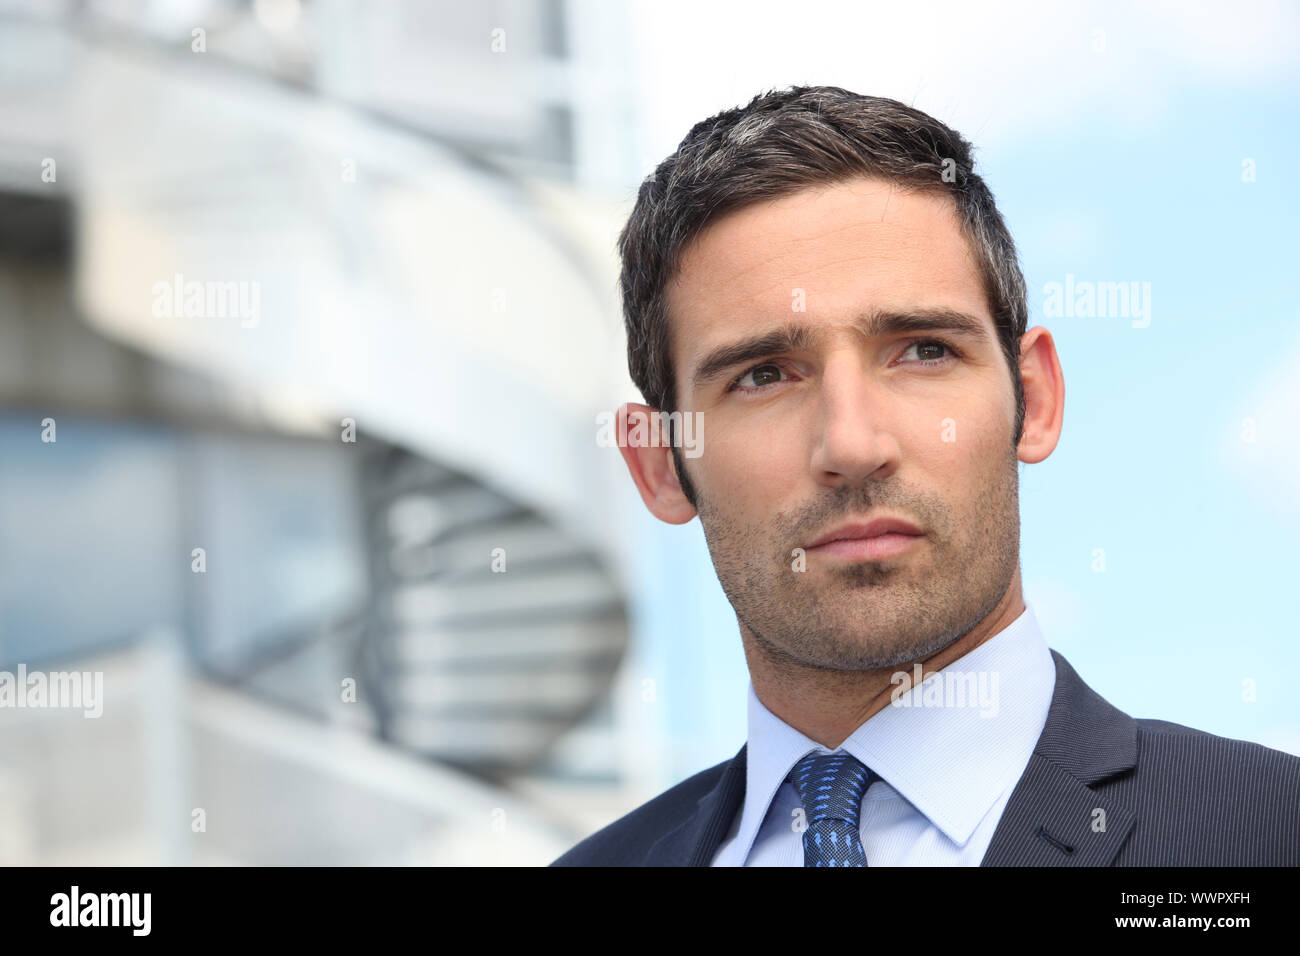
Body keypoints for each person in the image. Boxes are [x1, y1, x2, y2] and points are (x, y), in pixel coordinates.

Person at [551, 85, 1300, 866]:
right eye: (765, 374)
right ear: (660, 465)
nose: (853, 442)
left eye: (923, 351)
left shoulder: (1269, 837)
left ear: (1034, 400)